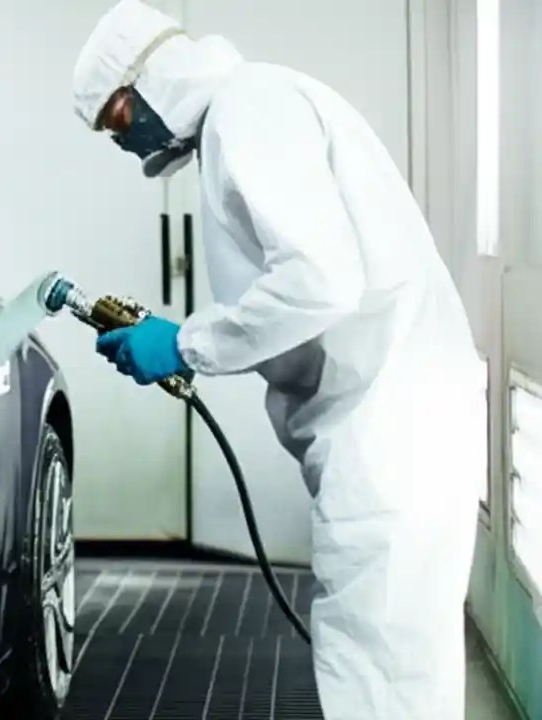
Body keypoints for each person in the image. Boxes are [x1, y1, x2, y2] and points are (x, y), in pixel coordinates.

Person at [72, 2, 485, 718]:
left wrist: (186, 344)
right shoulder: (254, 108)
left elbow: (320, 280)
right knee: (398, 666)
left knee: (379, 672)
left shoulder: (247, 109)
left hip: (389, 429)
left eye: (119, 116)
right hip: (395, 419)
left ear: (154, 78)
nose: (123, 137)